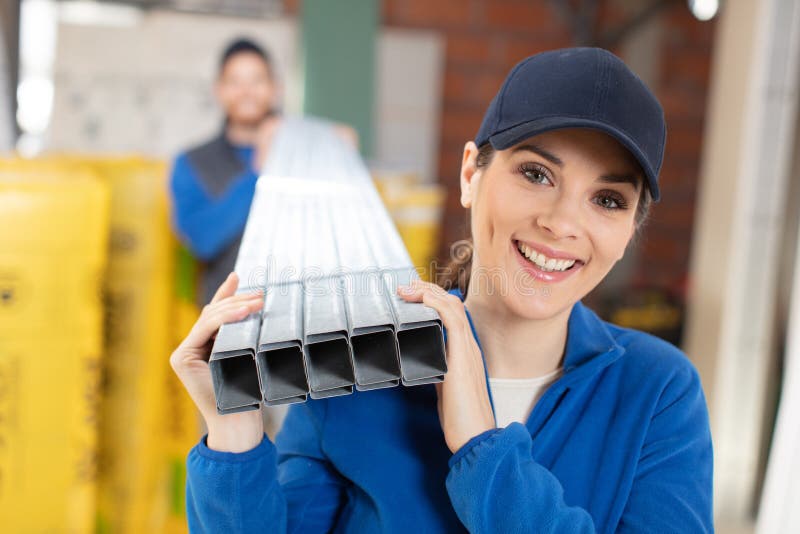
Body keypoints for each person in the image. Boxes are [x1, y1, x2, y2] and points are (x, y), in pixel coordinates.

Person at [170, 48, 713, 532]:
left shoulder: (657, 391)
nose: (562, 223)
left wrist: (483, 450)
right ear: (471, 174)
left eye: (608, 200)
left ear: (629, 232)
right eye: (536, 174)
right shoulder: (358, 366)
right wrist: (232, 435)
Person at [170, 38, 282, 306]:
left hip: (297, 321)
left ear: (275, 89)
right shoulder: (192, 162)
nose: (247, 92)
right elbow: (202, 240)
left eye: (257, 80)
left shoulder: (302, 154)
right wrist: (259, 169)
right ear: (219, 90)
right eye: (235, 82)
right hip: (223, 325)